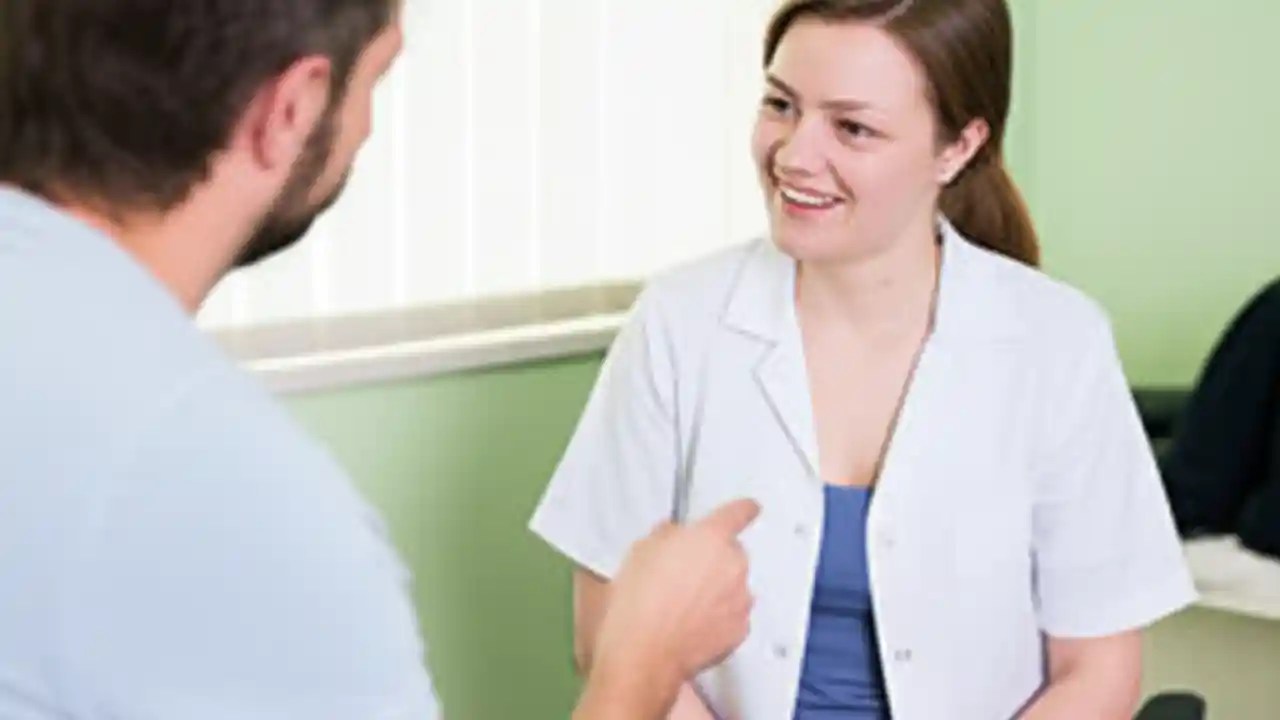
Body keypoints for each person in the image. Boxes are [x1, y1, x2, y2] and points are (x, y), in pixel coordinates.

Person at [0, 1, 756, 718]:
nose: (366, 128)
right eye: (376, 78)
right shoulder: (225, 493)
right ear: (292, 109)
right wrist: (640, 664)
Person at [529, 1, 1196, 718]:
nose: (793, 155)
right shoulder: (678, 322)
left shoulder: (1058, 344)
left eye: (852, 127)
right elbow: (612, 632)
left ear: (957, 147)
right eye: (781, 105)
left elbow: (1096, 671)